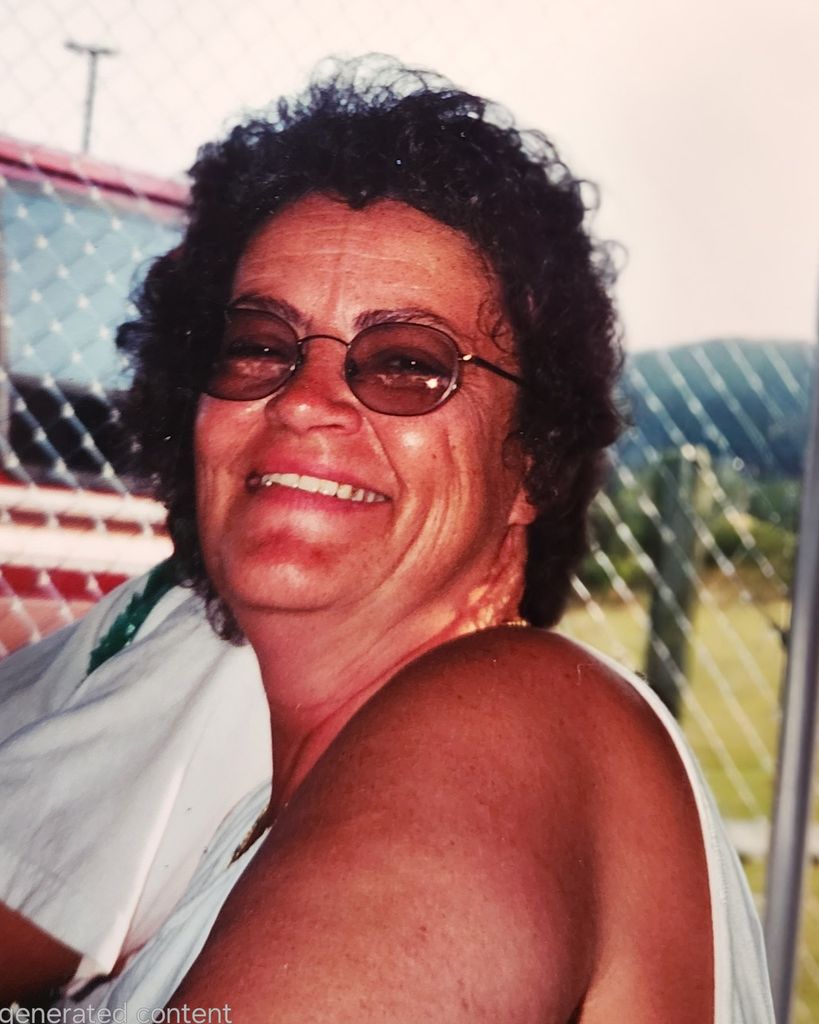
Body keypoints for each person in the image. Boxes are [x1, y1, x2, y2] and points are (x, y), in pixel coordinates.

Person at [0, 58, 774, 1022]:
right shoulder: (255, 826)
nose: (304, 399)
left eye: (407, 362)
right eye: (259, 345)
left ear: (531, 465)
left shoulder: (499, 720)